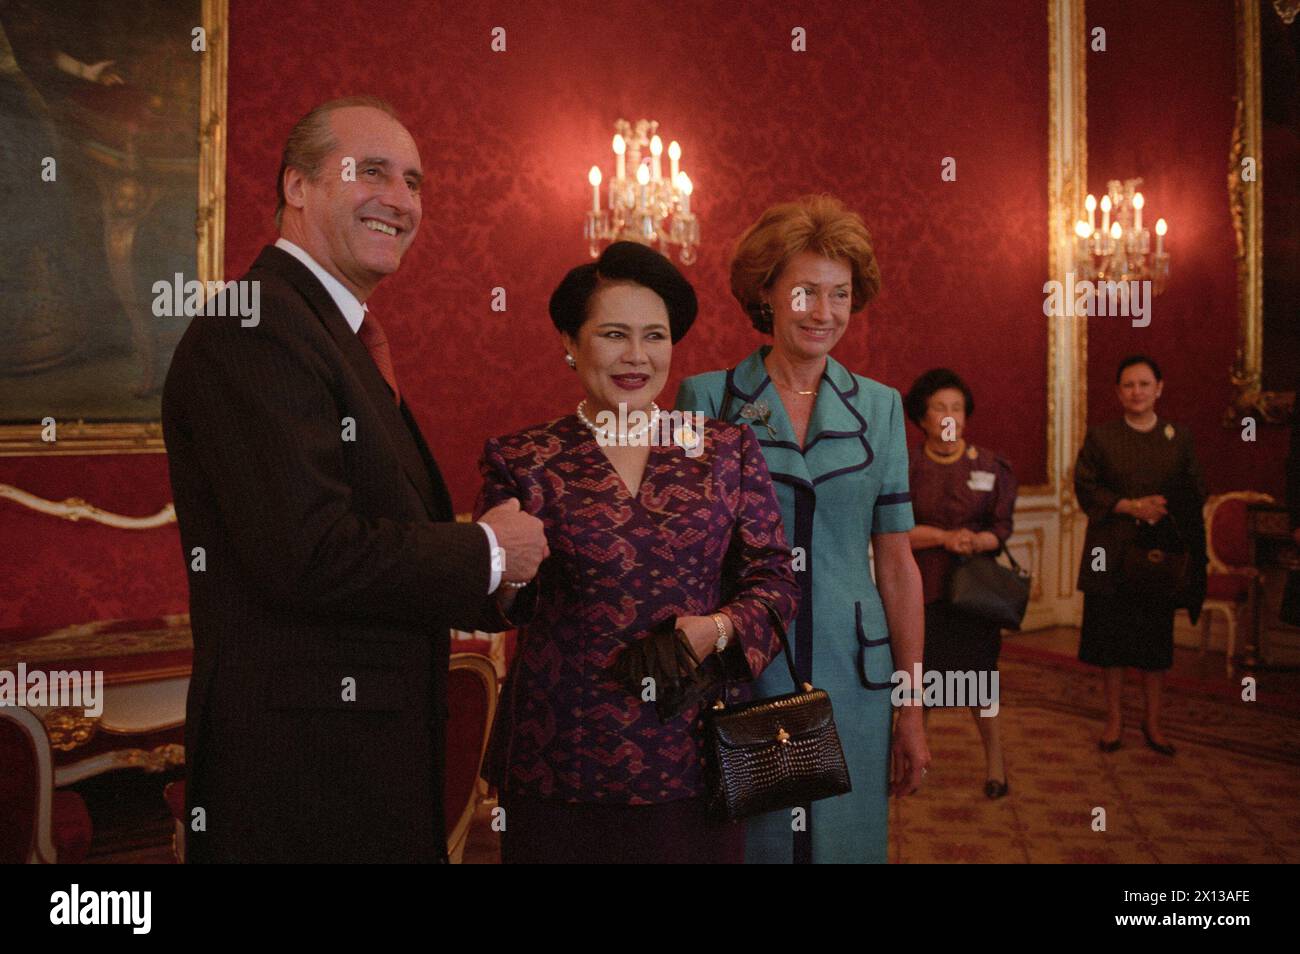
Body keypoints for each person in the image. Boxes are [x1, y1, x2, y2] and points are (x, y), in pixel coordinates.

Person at [162, 97, 546, 862]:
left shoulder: (333, 332)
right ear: (296, 186)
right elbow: (309, 554)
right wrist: (486, 551)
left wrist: (494, 582)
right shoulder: (256, 323)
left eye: (414, 181)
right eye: (372, 172)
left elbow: (380, 531)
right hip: (300, 777)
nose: (402, 201)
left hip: (364, 764)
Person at [476, 241, 799, 864]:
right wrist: (498, 567)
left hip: (692, 750)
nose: (637, 356)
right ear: (570, 341)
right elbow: (501, 604)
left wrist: (718, 629)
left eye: (655, 336)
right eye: (614, 335)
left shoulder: (725, 449)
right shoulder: (523, 460)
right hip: (560, 753)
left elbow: (776, 580)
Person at [676, 195, 929, 864]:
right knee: (754, 849)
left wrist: (913, 705)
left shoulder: (881, 407)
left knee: (845, 849)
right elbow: (688, 555)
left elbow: (898, 566)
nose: (824, 312)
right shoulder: (708, 399)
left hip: (857, 677)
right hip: (748, 671)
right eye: (805, 292)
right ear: (766, 293)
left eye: (839, 294)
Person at [1074, 354, 1207, 757]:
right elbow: (1085, 487)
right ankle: (1113, 721)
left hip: (1158, 556)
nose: (1137, 392)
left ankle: (1154, 723)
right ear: (1118, 392)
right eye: (1129, 385)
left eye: (1144, 384)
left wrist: (1159, 506)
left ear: (1159, 388)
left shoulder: (1178, 437)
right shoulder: (1101, 437)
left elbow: (1195, 488)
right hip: (1109, 554)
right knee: (1109, 644)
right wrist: (1129, 506)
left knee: (1154, 646)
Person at [903, 368, 1017, 798]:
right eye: (939, 407)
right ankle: (914, 763)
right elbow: (896, 532)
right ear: (923, 417)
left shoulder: (992, 465)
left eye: (956, 407)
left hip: (976, 594)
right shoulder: (907, 466)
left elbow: (1001, 528)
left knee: (980, 681)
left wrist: (976, 539)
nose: (949, 415)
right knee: (919, 681)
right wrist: (944, 538)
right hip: (923, 591)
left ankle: (996, 767)